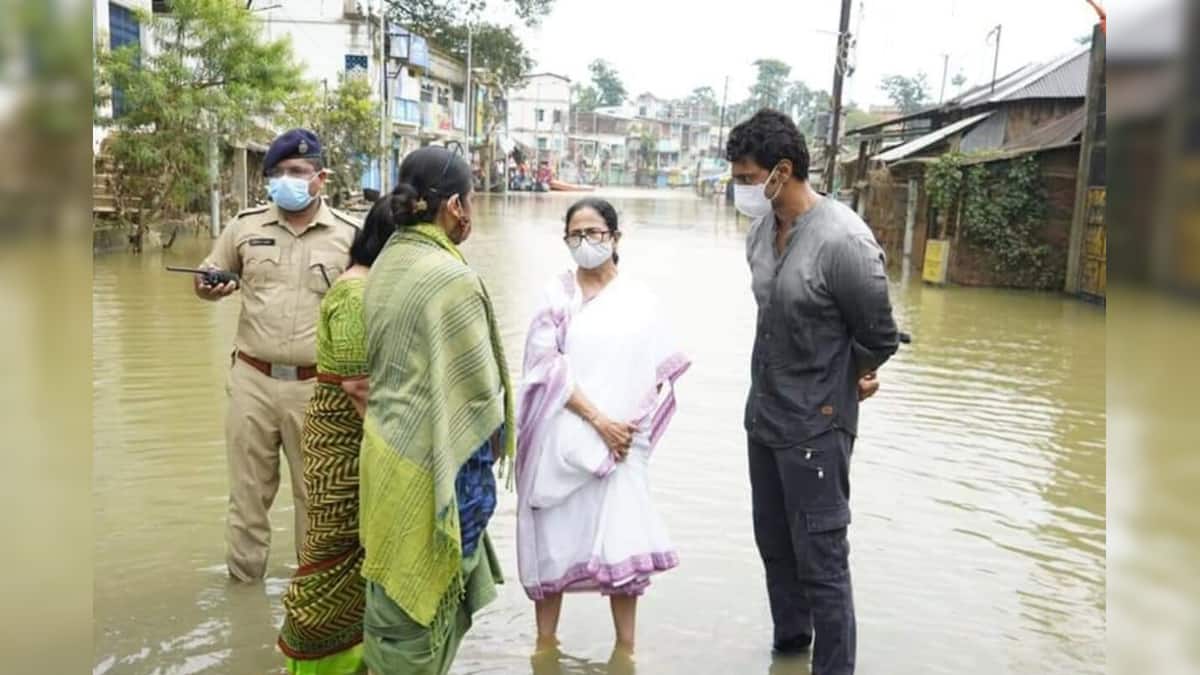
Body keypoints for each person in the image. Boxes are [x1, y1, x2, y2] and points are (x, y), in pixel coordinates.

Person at [726, 109, 897, 675]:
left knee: (823, 562)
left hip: (818, 428)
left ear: (782, 170)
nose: (741, 188)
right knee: (775, 548)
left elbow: (879, 335)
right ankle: (790, 651)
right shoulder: (758, 233)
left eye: (747, 177)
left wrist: (848, 377)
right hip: (765, 418)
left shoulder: (845, 242)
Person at [358, 146, 514, 675]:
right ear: (453, 206)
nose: (471, 213)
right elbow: (478, 397)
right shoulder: (450, 279)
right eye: (470, 201)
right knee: (422, 620)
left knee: (393, 609)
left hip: (384, 458)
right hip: (433, 476)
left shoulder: (385, 263)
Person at [515, 198, 690, 655]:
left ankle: (624, 653)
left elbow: (655, 375)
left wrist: (624, 429)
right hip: (564, 439)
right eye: (575, 234)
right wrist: (598, 421)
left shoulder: (640, 300)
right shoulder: (556, 295)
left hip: (623, 446)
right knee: (553, 545)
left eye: (594, 233)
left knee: (621, 548)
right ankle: (545, 648)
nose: (585, 242)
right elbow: (543, 368)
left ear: (615, 237)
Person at [195, 128, 360, 582]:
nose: (286, 179)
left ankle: (310, 597)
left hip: (319, 389)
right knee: (247, 498)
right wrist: (211, 286)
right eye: (278, 172)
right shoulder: (244, 227)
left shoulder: (351, 236)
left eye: (297, 172)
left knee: (317, 500)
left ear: (319, 178)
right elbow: (207, 278)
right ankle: (243, 592)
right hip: (252, 381)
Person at [276, 191, 400, 674]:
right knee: (333, 558)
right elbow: (358, 385)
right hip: (345, 447)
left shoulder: (373, 289)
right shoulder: (355, 292)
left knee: (360, 558)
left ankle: (358, 658)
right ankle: (321, 663)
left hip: (360, 443)